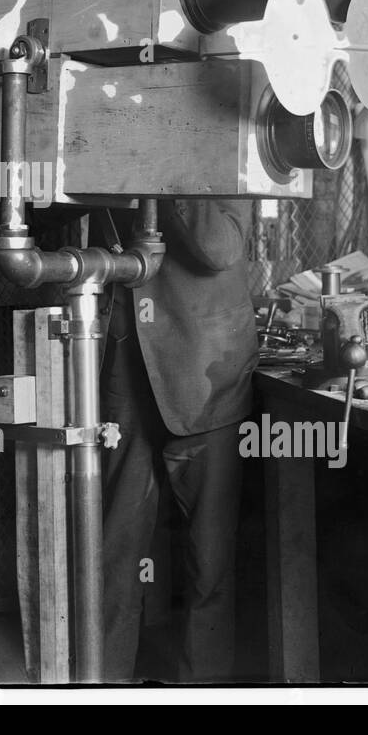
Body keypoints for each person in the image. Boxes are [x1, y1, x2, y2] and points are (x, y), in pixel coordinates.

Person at [94, 198, 257, 683]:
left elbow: (218, 248)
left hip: (207, 370)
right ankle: (102, 682)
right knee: (114, 550)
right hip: (129, 370)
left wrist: (167, 172)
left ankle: (201, 686)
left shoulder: (223, 146)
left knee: (210, 562)